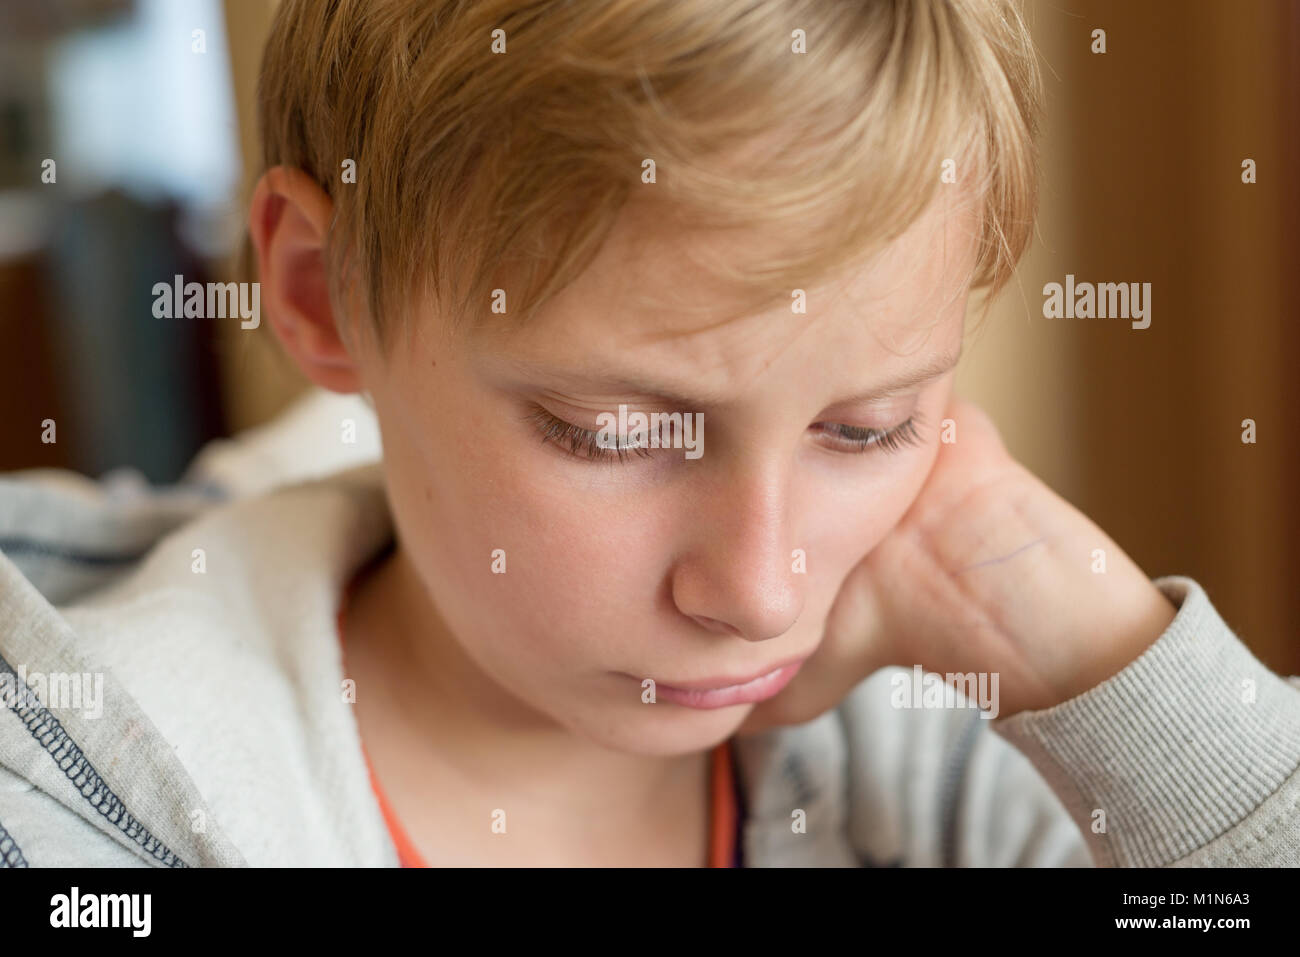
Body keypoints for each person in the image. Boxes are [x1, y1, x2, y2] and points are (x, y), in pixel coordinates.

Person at [1, 0, 1297, 868]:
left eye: (869, 426)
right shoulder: (70, 805)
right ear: (320, 296)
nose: (762, 587)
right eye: (614, 433)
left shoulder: (933, 751)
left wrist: (1085, 646)